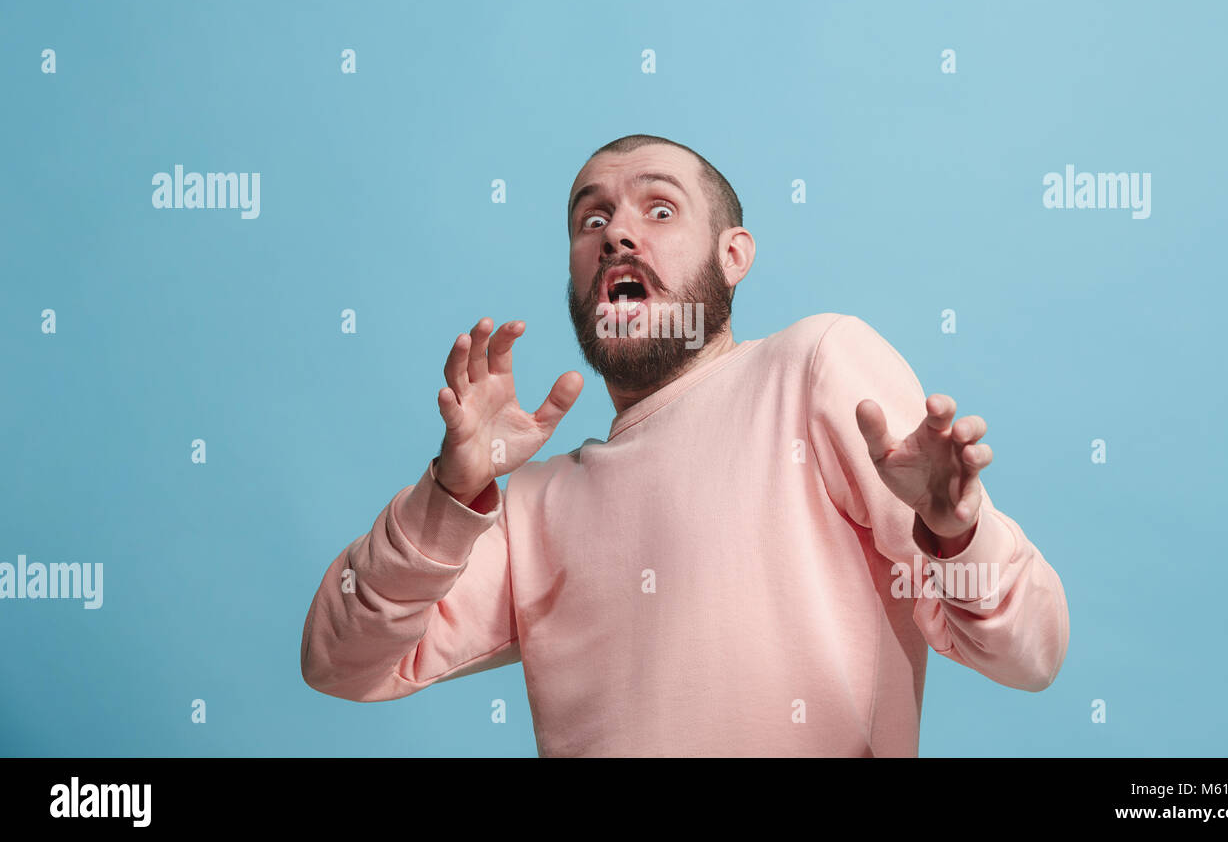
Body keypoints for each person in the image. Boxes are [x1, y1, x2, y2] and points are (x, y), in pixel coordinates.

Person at [299, 134, 1070, 757]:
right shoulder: (528, 505)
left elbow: (1031, 653)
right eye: (590, 221)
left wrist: (955, 532)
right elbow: (339, 662)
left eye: (659, 210)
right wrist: (447, 493)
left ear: (734, 255)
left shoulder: (812, 366)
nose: (617, 234)